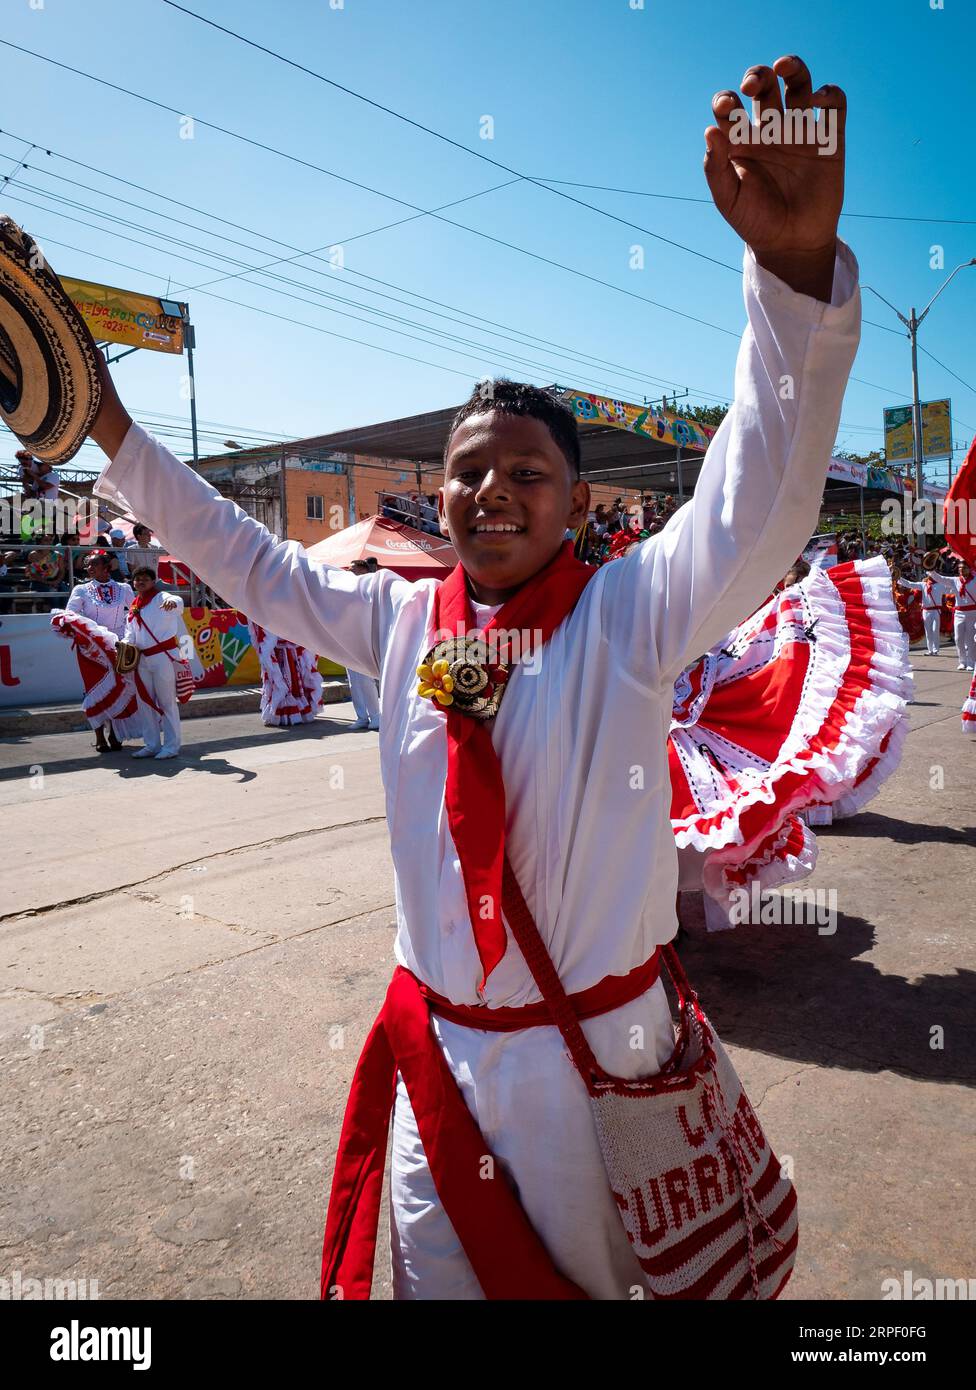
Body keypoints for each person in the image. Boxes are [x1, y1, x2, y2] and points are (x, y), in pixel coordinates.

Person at [84, 54, 858, 1300]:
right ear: (436, 495)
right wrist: (107, 428)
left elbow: (757, 502)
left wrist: (792, 276)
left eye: (526, 474)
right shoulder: (389, 620)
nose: (490, 491)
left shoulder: (629, 614)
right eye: (467, 472)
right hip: (441, 1067)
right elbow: (239, 554)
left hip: (603, 1067)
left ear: (578, 503)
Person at [65, 550, 135, 752]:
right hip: (91, 646)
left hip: (118, 645)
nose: (89, 568)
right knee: (94, 689)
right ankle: (99, 736)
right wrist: (87, 633)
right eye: (88, 565)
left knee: (118, 688)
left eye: (94, 565)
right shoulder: (81, 589)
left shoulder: (124, 588)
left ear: (107, 568)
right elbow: (71, 614)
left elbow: (134, 613)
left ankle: (115, 733)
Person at [123, 567, 185, 759]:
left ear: (153, 581)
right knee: (144, 703)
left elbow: (177, 601)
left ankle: (171, 746)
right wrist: (125, 644)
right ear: (133, 582)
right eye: (137, 579)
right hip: (142, 659)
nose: (141, 582)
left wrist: (171, 604)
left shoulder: (161, 598)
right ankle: (151, 745)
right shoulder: (134, 604)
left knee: (167, 702)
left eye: (145, 579)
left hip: (162, 657)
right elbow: (130, 633)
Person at [345, 559, 382, 730]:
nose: (349, 571)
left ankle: (375, 716)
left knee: (365, 680)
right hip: (349, 639)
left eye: (353, 569)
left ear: (363, 570)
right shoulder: (347, 589)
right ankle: (361, 717)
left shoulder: (373, 587)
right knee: (354, 681)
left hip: (366, 638)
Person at [897, 549, 952, 656]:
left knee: (935, 630)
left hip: (936, 611)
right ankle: (930, 650)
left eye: (933, 574)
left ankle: (936, 650)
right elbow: (909, 584)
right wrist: (898, 577)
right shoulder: (923, 585)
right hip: (926, 611)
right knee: (928, 630)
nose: (931, 576)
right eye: (929, 574)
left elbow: (951, 589)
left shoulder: (941, 585)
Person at [950, 558, 976, 670]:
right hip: (959, 613)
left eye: (964, 568)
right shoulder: (955, 580)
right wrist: (930, 569)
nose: (961, 569)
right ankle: (962, 661)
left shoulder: (975, 580)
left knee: (970, 639)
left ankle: (971, 662)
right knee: (958, 638)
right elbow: (940, 578)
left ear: (969, 569)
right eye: (959, 567)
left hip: (972, 613)